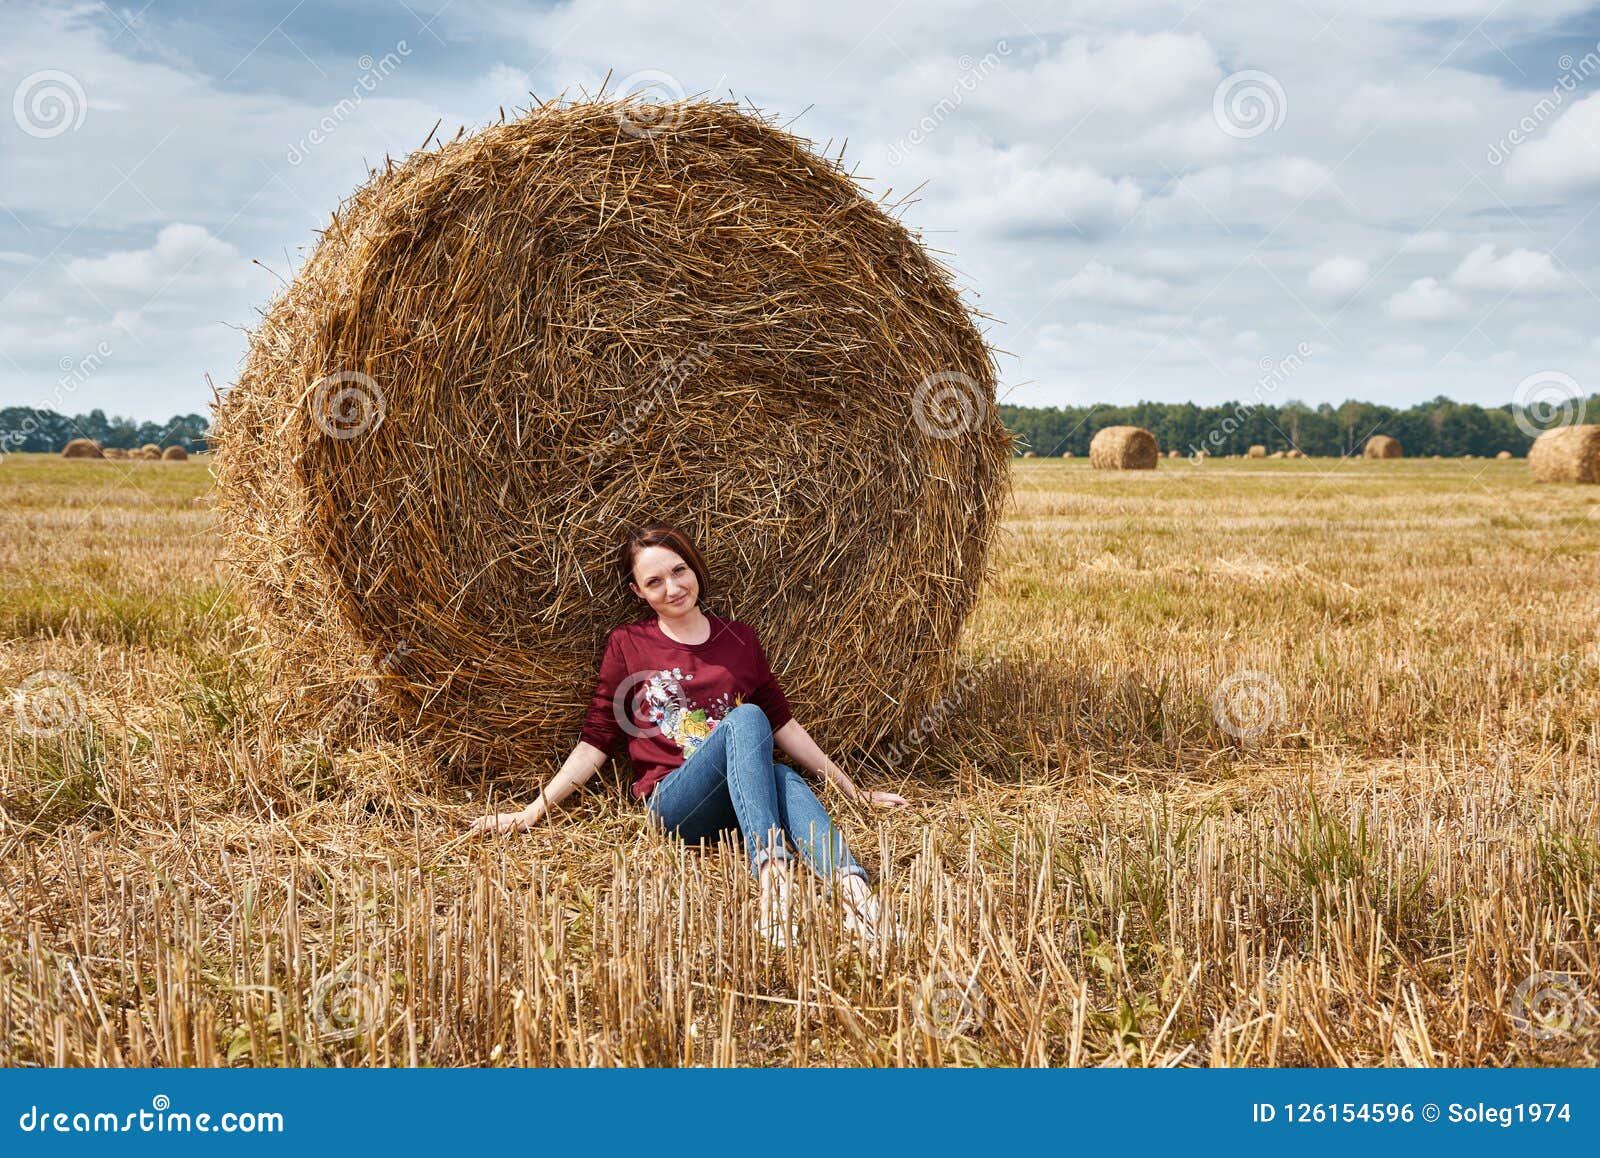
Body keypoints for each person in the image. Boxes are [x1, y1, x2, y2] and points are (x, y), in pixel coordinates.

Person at [468, 521, 908, 949]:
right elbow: (596, 740)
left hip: (742, 802)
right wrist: (531, 812)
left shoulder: (740, 640)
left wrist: (854, 791)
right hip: (677, 803)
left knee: (781, 774)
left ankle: (856, 895)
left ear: (695, 567)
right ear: (637, 592)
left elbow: (785, 724)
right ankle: (775, 883)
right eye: (654, 581)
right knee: (747, 718)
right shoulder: (628, 643)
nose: (673, 587)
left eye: (679, 571)